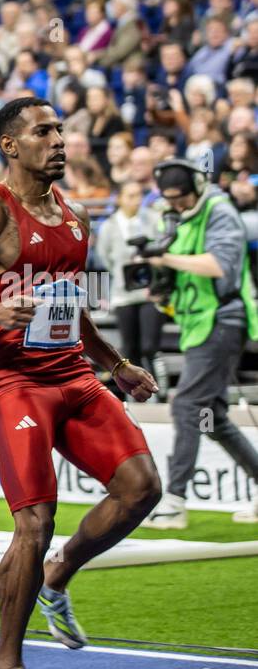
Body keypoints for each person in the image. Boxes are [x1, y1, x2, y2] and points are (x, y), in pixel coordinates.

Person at [0, 97, 162, 669]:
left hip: (72, 373)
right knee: (34, 520)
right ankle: (6, 664)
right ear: (10, 145)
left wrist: (117, 365)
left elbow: (69, 307)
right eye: (43, 131)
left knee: (142, 488)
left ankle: (60, 574)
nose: (59, 140)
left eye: (61, 130)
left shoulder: (77, 217)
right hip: (11, 381)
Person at [139, 159, 258, 528]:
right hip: (196, 323)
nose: (175, 206)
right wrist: (159, 283)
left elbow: (219, 264)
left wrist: (166, 258)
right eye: (169, 200)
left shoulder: (218, 211)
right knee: (213, 419)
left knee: (188, 404)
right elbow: (175, 268)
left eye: (181, 198)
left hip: (223, 320)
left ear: (197, 186)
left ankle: (174, 501)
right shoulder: (172, 215)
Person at [94, 180, 167, 398]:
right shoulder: (110, 226)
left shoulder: (153, 220)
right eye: (130, 195)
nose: (135, 200)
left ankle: (159, 390)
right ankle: (134, 391)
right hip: (123, 294)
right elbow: (104, 256)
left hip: (150, 292)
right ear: (120, 198)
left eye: (138, 195)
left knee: (149, 346)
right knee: (130, 347)